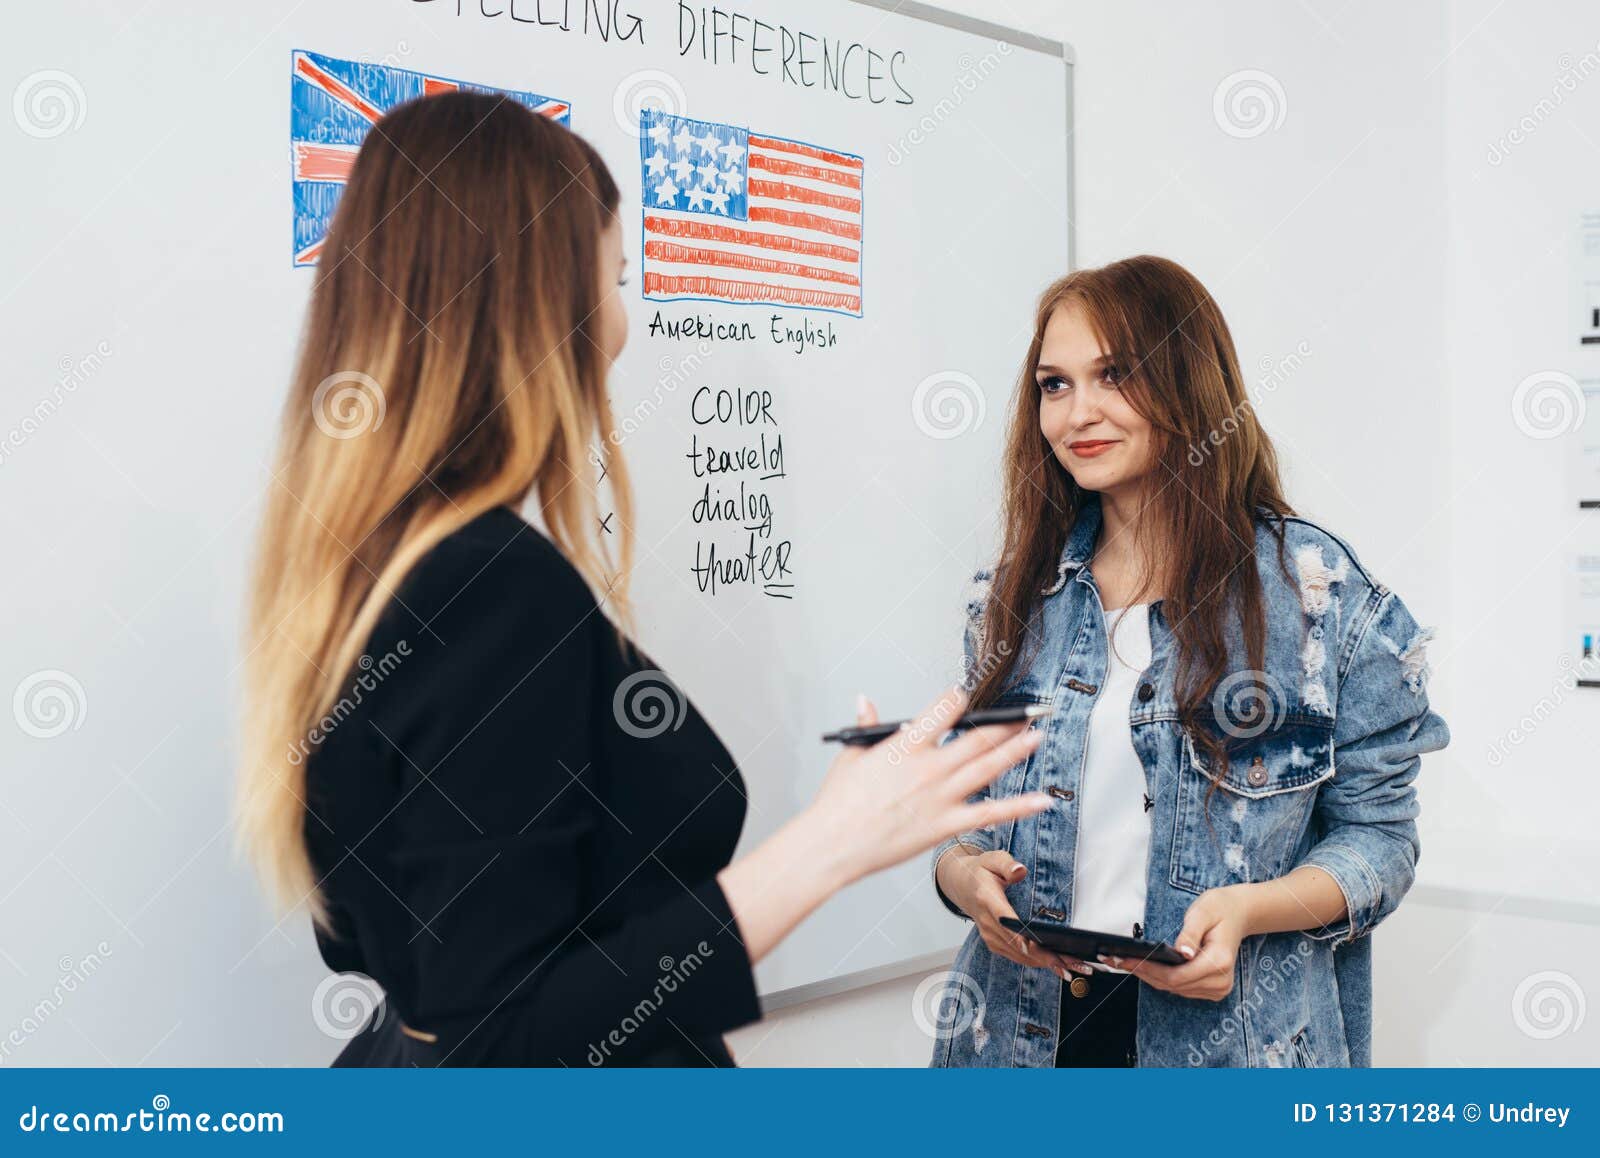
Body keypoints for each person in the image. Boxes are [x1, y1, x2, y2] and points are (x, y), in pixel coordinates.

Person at [236, 92, 1051, 1066]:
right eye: (615, 280)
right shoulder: (490, 588)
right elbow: (502, 1043)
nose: (622, 326)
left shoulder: (361, 567)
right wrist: (835, 841)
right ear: (540, 302)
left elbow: (375, 937)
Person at [929, 255, 1450, 1068]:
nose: (1077, 414)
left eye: (1114, 375)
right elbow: (958, 816)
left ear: (1188, 381)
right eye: (1054, 385)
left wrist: (1252, 910)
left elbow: (1380, 842)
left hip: (1233, 1051)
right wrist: (961, 879)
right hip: (1019, 1041)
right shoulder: (1011, 597)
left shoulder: (1318, 598)